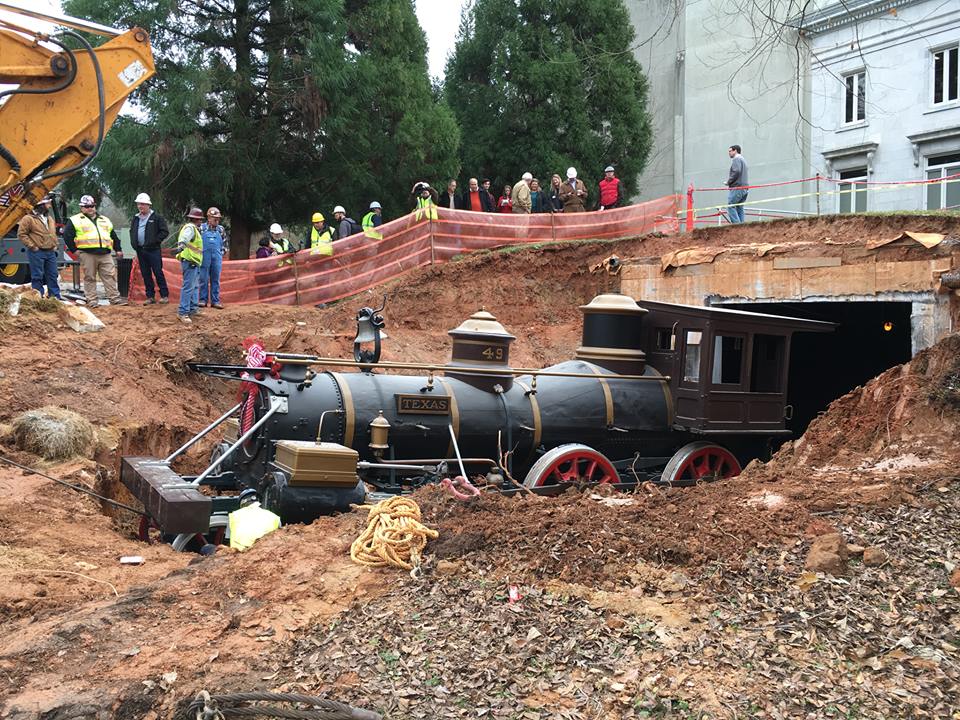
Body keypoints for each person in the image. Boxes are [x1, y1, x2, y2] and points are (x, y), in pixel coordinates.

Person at [63, 194, 127, 306]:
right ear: (81, 208)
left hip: (105, 253)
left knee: (110, 276)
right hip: (87, 253)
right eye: (87, 206)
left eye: (92, 206)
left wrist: (118, 249)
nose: (90, 208)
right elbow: (67, 236)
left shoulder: (105, 220)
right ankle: (92, 300)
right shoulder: (75, 220)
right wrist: (74, 250)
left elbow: (113, 236)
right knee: (90, 277)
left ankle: (115, 299)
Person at [17, 195, 61, 300]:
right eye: (47, 204)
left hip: (50, 252)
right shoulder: (28, 219)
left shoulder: (49, 218)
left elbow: (52, 233)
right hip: (37, 252)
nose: (49, 206)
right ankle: (38, 298)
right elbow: (21, 234)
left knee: (53, 275)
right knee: (37, 276)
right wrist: (33, 247)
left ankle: (54, 298)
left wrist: (55, 245)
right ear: (41, 205)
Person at [129, 192, 169, 305]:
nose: (140, 206)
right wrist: (134, 243)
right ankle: (150, 296)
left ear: (148, 205)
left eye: (142, 204)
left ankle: (164, 295)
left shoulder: (157, 218)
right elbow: (132, 231)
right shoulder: (135, 218)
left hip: (153, 250)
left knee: (158, 272)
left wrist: (154, 241)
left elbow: (164, 232)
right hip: (141, 250)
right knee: (145, 273)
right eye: (138, 204)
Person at [175, 207, 204, 323]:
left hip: (194, 261)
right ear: (197, 219)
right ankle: (183, 312)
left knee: (195, 286)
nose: (201, 221)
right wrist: (181, 245)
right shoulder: (190, 228)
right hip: (190, 260)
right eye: (200, 219)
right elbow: (184, 238)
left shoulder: (195, 229)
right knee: (188, 287)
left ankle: (193, 308)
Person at [199, 207, 228, 308]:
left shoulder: (221, 229)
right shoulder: (201, 228)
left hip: (217, 258)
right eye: (214, 218)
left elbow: (225, 244)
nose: (217, 220)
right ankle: (203, 300)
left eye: (218, 218)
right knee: (203, 278)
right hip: (204, 257)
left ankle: (215, 301)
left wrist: (221, 253)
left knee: (215, 279)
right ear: (209, 218)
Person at [726, 145, 749, 224]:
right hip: (745, 188)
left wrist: (729, 182)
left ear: (735, 151)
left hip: (737, 187)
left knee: (731, 206)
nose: (729, 153)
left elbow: (736, 171)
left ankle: (736, 226)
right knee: (739, 207)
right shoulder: (743, 160)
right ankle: (742, 226)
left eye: (730, 151)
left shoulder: (736, 159)